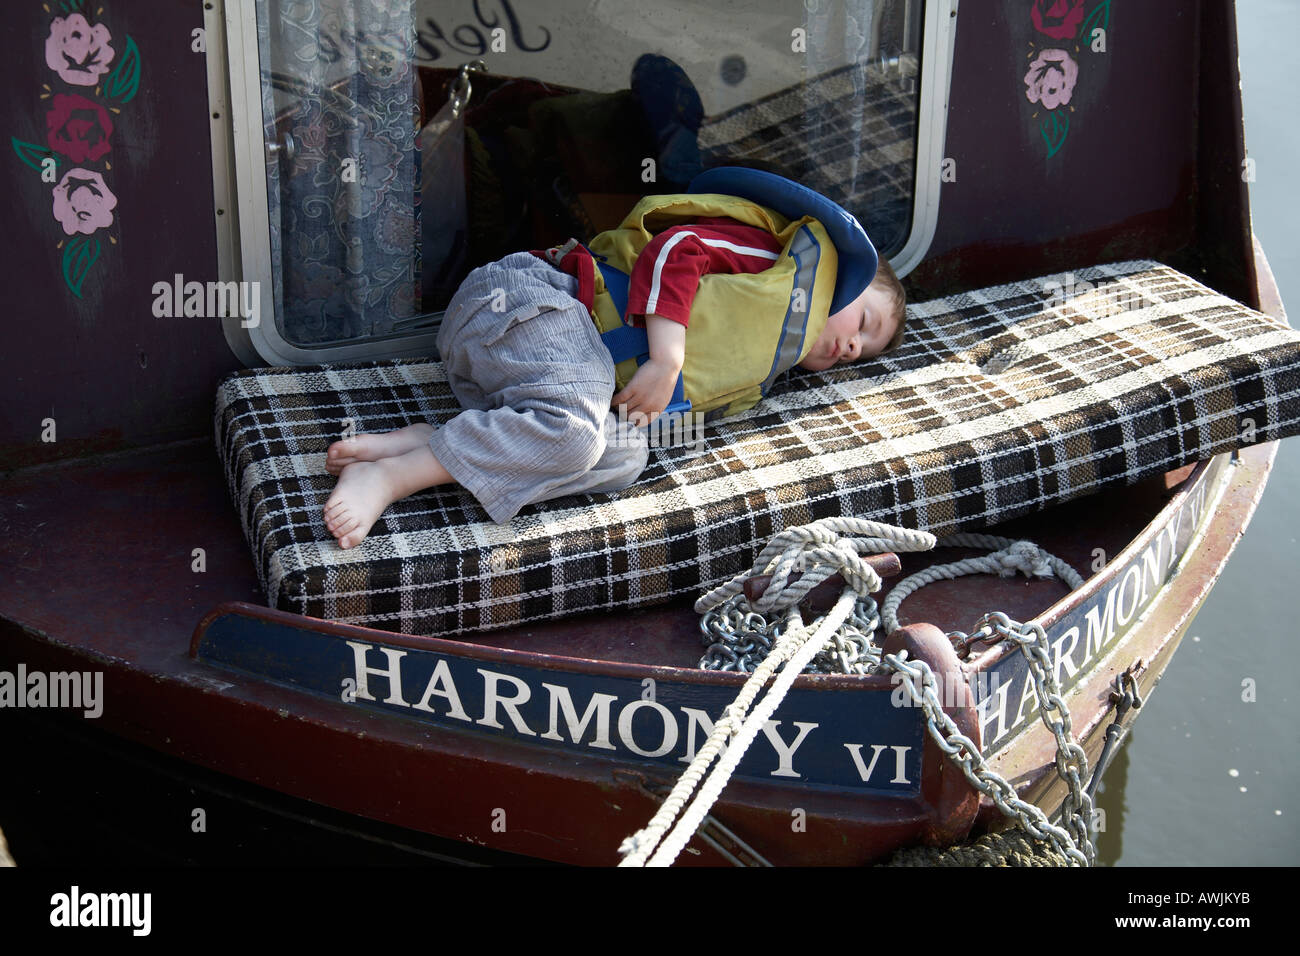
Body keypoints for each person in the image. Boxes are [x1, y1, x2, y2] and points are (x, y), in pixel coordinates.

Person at [322, 189, 906, 549]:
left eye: (863, 352)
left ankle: (445, 442)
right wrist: (666, 356)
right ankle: (394, 478)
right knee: (574, 431)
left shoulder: (761, 369)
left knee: (626, 457)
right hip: (523, 302)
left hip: (513, 379)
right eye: (864, 323)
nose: (853, 347)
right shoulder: (772, 259)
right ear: (842, 282)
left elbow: (648, 424)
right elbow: (674, 250)